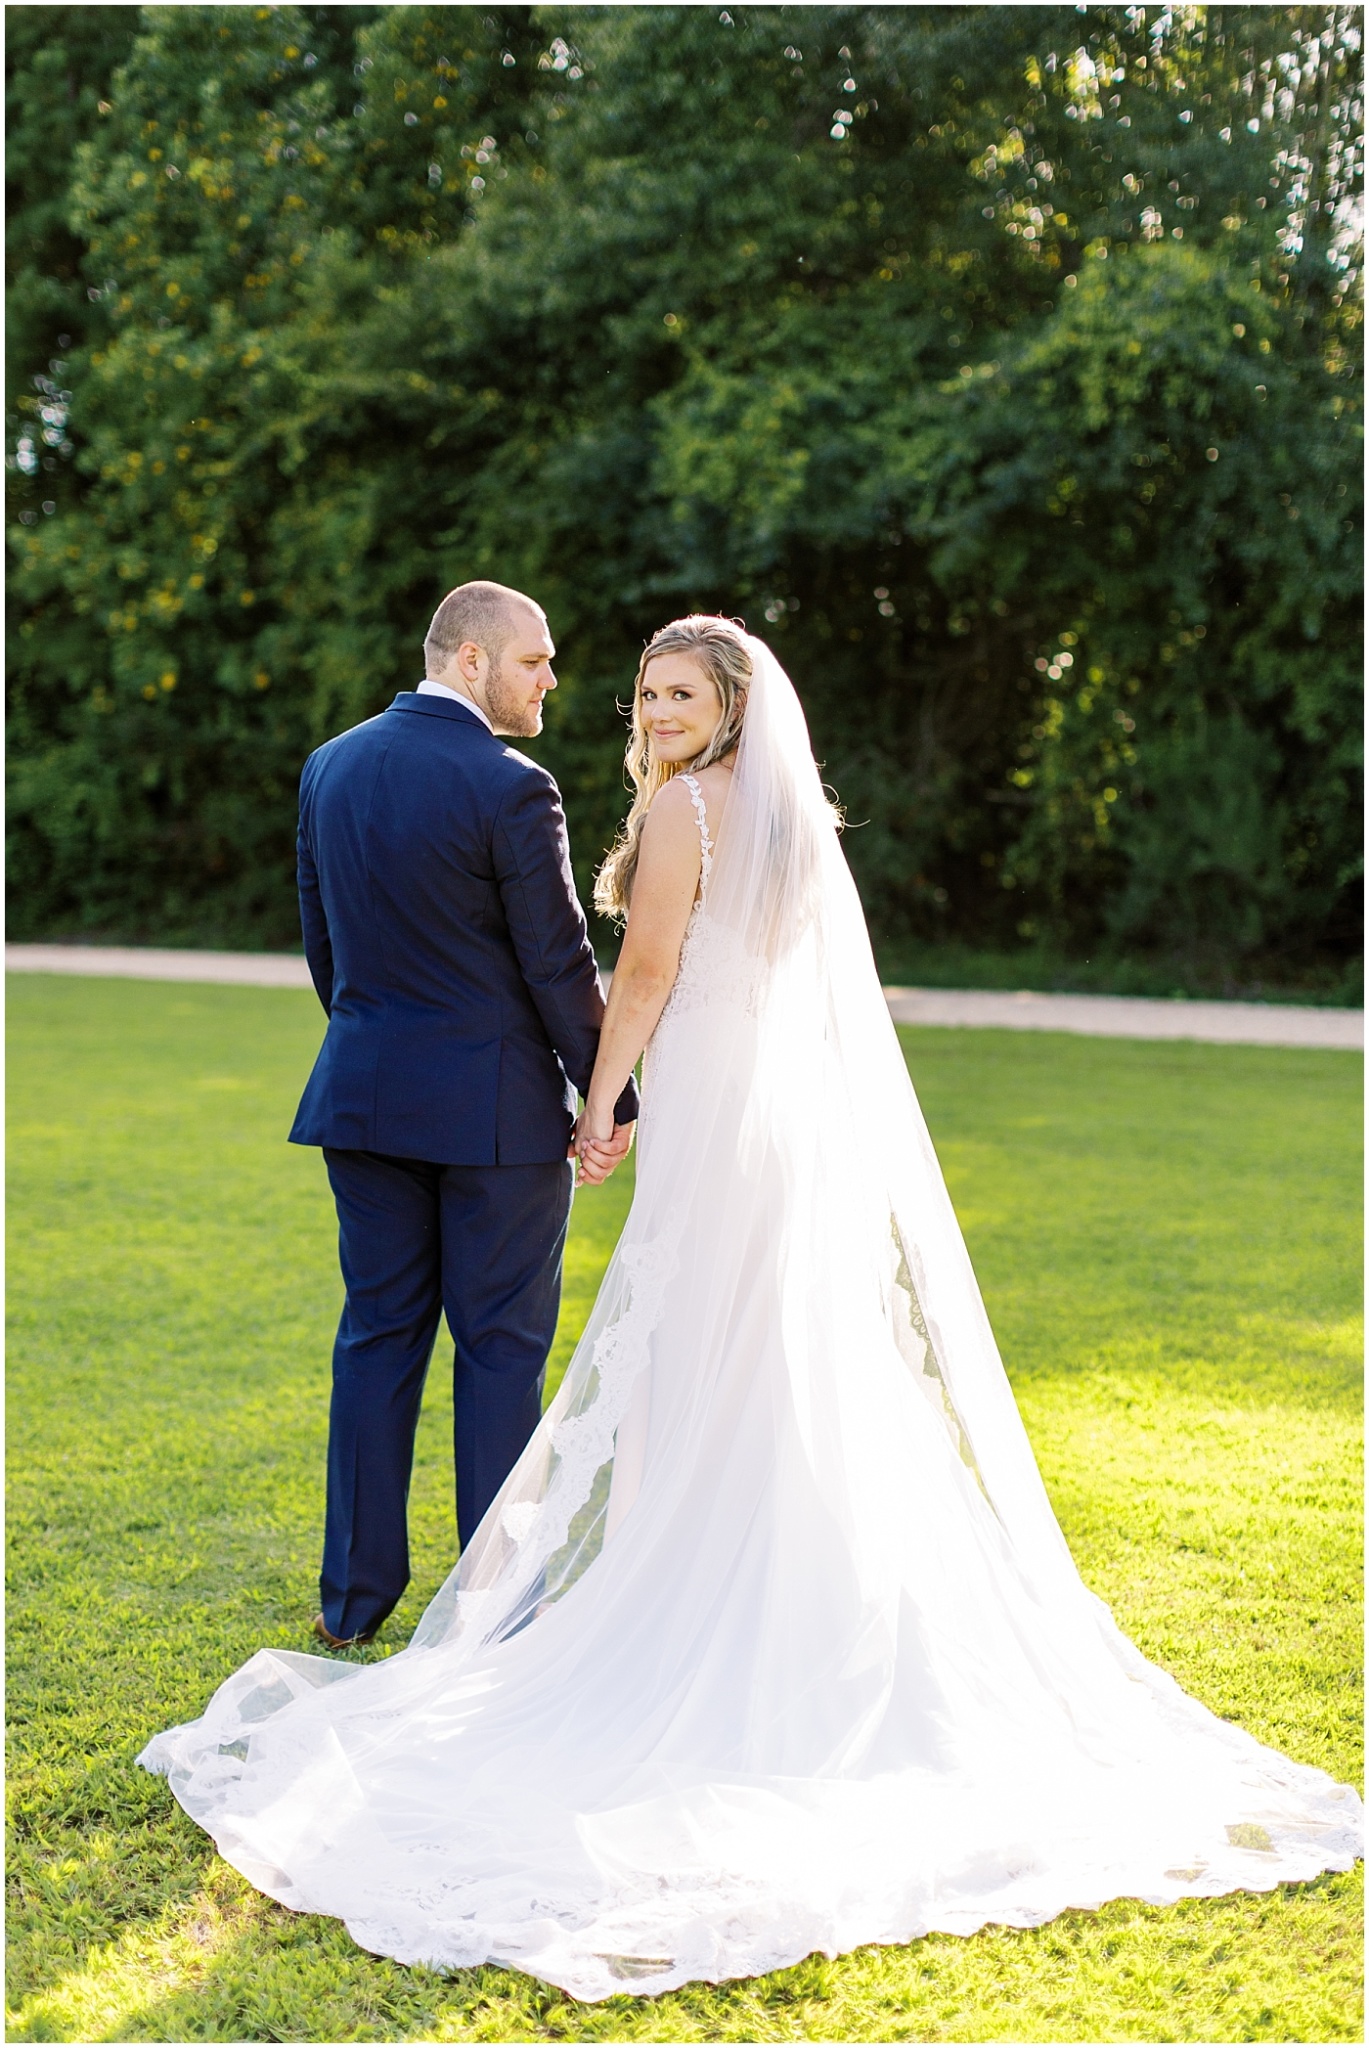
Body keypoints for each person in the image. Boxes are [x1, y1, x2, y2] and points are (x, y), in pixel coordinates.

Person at [141, 618, 1360, 2001]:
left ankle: (535, 1597)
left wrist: (594, 1093)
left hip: (639, 1114)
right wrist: (598, 1086)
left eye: (678, 692)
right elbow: (661, 966)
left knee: (648, 1350)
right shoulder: (773, 814)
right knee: (730, 1354)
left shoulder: (629, 805)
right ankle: (744, 1601)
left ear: (730, 704)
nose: (650, 710)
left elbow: (637, 972)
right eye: (644, 691)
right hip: (759, 1120)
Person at [287, 580, 637, 1650]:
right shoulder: (511, 784)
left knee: (375, 1338)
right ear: (472, 660)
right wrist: (609, 1096)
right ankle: (495, 1609)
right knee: (498, 1352)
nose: (551, 679)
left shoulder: (329, 764)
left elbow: (323, 945)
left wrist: (376, 1046)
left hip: (362, 1098)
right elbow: (558, 962)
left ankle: (352, 1603)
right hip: (494, 1121)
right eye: (535, 659)